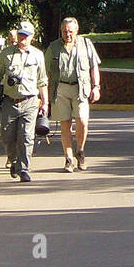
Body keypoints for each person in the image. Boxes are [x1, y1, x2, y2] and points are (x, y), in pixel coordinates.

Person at [0, 20, 48, 182]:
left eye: (26, 36)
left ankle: (24, 169)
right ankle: (13, 160)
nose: (23, 38)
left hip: (30, 101)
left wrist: (45, 102)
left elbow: (42, 81)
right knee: (7, 135)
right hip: (10, 101)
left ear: (32, 37)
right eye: (21, 34)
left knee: (26, 136)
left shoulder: (38, 55)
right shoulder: (6, 54)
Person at [45, 17, 101, 172]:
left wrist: (96, 87)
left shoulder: (86, 44)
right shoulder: (53, 47)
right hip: (60, 89)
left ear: (76, 30)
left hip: (81, 89)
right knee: (65, 125)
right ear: (61, 31)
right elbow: (45, 73)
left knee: (82, 122)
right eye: (64, 31)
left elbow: (93, 67)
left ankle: (80, 151)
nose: (67, 34)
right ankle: (68, 158)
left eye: (70, 31)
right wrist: (43, 95)